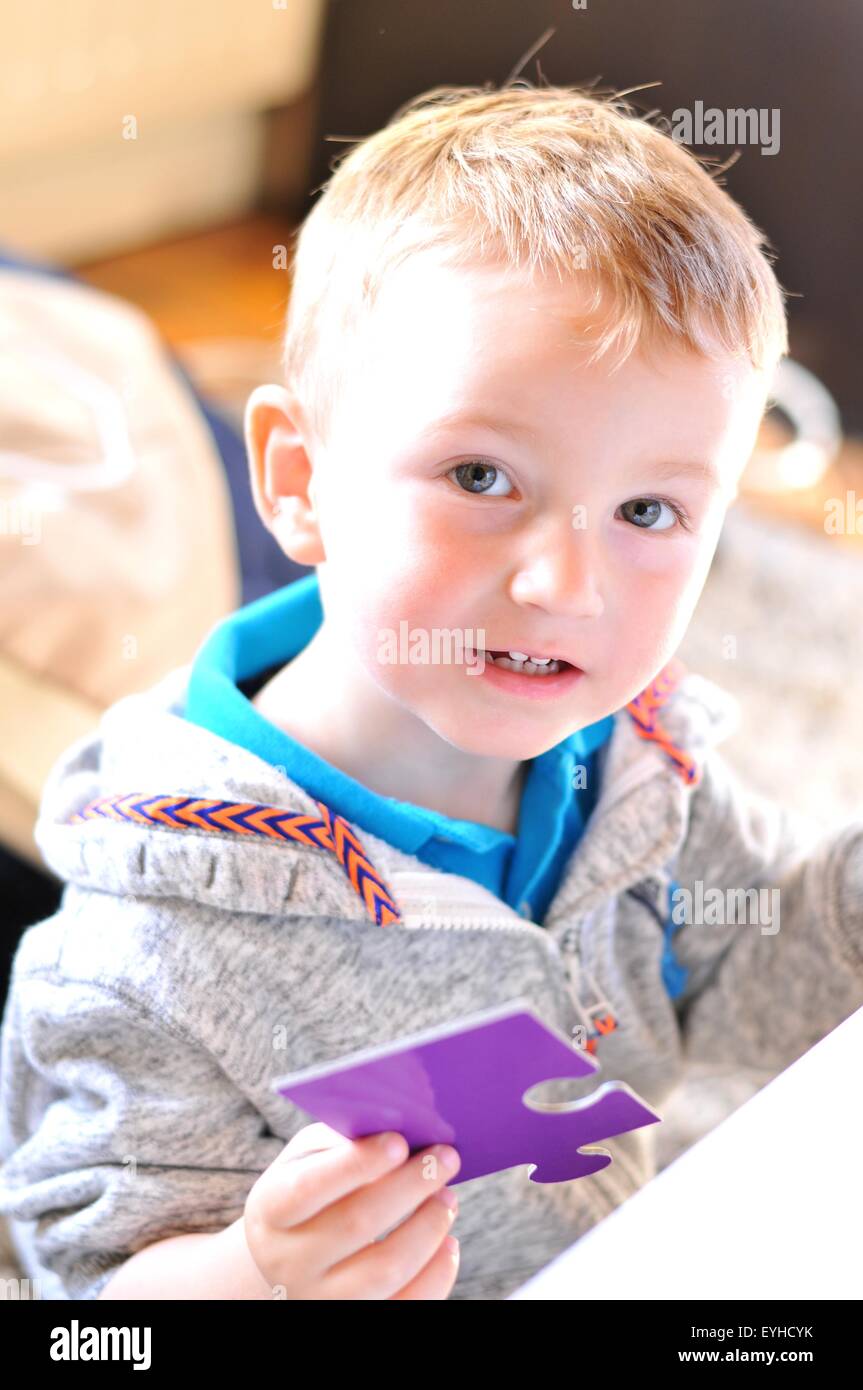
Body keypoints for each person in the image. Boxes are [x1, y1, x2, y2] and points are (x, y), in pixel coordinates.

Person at [1, 82, 861, 1303]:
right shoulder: (147, 955)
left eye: (648, 511)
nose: (567, 584)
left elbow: (759, 961)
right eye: (479, 474)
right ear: (300, 480)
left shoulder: (628, 767)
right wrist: (255, 1274)